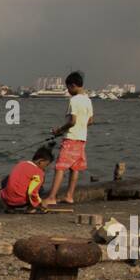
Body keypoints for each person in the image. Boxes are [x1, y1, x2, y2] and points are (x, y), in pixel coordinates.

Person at [44, 71, 94, 205]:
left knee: (60, 167)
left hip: (71, 138)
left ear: (73, 86)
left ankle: (52, 197)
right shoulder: (88, 100)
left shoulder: (74, 100)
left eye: (68, 88)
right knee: (74, 168)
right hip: (82, 139)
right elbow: (90, 121)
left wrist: (59, 130)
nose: (68, 91)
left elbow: (72, 121)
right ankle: (69, 196)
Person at [1, 147, 54, 212]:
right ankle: (31, 208)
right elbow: (32, 192)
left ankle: (9, 208)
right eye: (46, 165)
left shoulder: (21, 163)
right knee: (40, 188)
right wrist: (39, 203)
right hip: (20, 202)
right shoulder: (38, 172)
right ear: (40, 161)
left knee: (8, 179)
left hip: (7, 199)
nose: (45, 168)